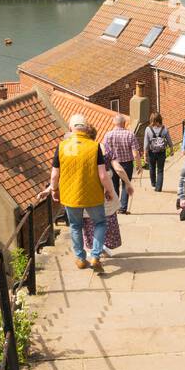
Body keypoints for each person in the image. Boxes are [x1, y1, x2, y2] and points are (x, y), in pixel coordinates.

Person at [50, 113, 117, 274]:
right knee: (100, 223)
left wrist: (54, 189)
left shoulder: (61, 146)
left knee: (75, 226)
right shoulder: (94, 147)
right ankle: (95, 255)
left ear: (71, 129)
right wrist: (109, 191)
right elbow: (103, 175)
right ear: (86, 128)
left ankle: (80, 258)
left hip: (70, 195)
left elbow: (54, 175)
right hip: (93, 194)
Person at [80, 125, 134, 257]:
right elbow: (118, 168)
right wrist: (128, 183)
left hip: (87, 192)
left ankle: (95, 251)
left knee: (89, 222)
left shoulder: (80, 151)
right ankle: (100, 250)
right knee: (105, 222)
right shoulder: (104, 148)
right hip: (105, 192)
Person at [103, 113, 141, 214]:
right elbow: (135, 153)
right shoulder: (130, 134)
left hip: (112, 164)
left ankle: (115, 208)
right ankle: (123, 208)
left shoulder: (108, 135)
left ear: (114, 123)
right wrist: (139, 165)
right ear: (124, 123)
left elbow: (105, 153)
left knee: (114, 185)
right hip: (127, 164)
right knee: (125, 185)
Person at [143, 111, 172, 192]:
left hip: (152, 152)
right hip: (162, 152)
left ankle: (153, 183)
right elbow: (169, 140)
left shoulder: (148, 129)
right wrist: (172, 150)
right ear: (160, 119)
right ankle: (158, 188)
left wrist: (145, 155)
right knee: (160, 170)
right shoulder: (164, 129)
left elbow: (146, 143)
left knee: (152, 167)